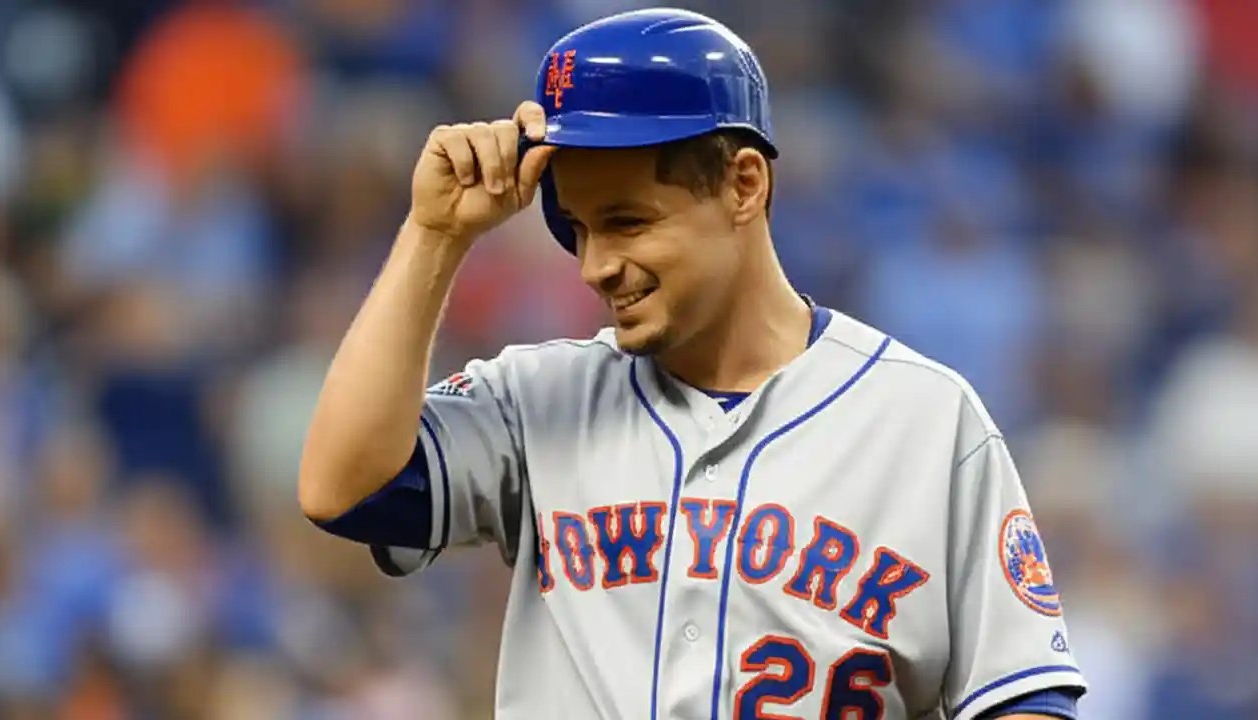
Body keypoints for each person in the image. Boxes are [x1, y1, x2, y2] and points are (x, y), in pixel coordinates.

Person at [298, 8, 1087, 719]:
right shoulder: (538, 398)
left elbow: (1022, 695)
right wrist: (437, 235)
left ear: (744, 183)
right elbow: (343, 488)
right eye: (577, 229)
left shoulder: (922, 420)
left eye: (628, 222)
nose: (595, 265)